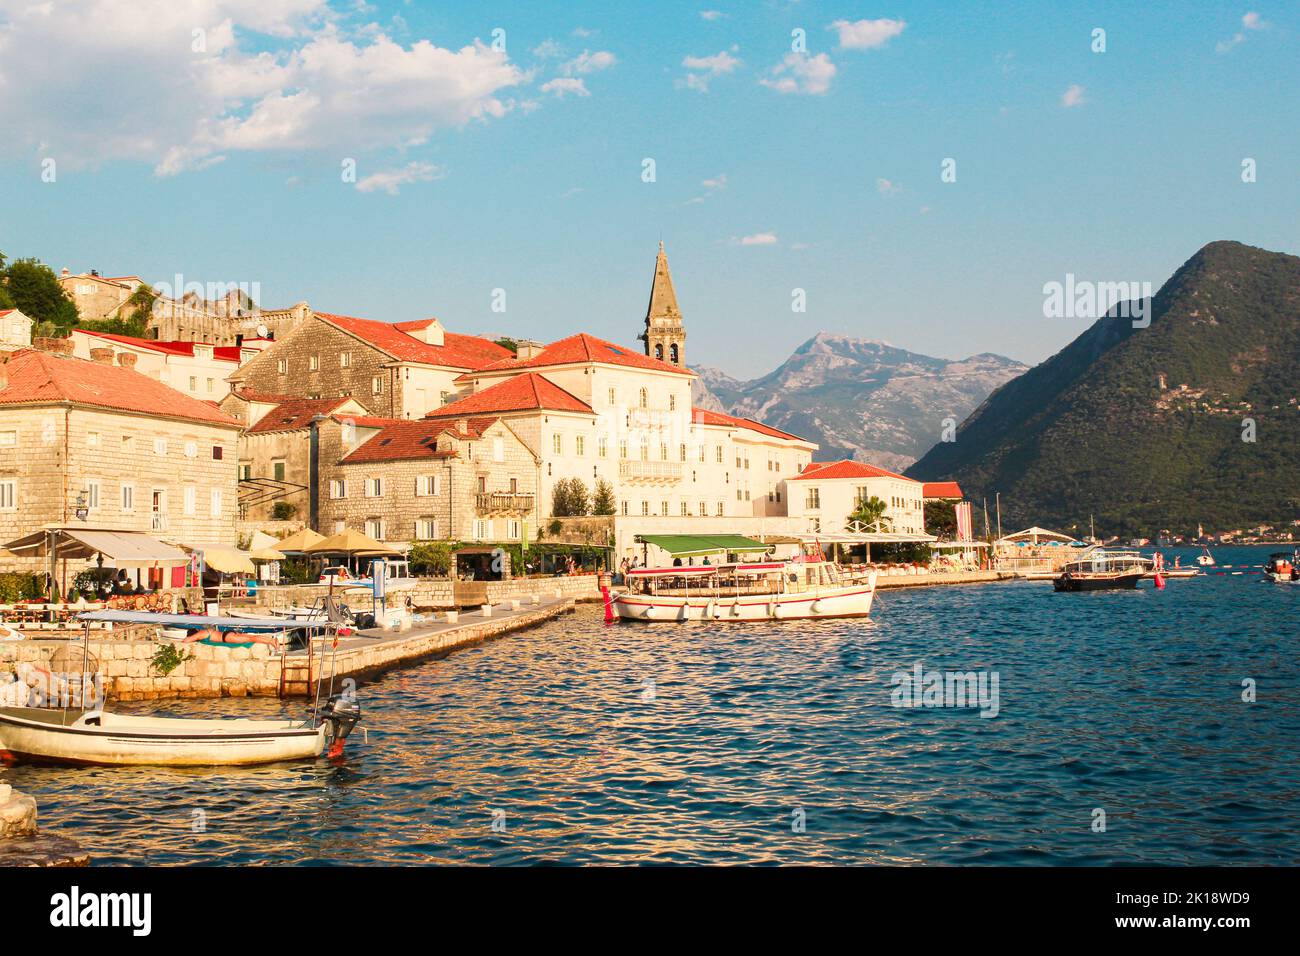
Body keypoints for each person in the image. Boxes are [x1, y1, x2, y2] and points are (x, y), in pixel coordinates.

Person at [182, 627, 279, 649]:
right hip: (227, 634)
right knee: (251, 636)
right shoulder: (204, 631)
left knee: (251, 638)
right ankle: (271, 640)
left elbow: (187, 640)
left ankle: (271, 641)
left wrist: (186, 639)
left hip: (227, 638)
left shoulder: (200, 634)